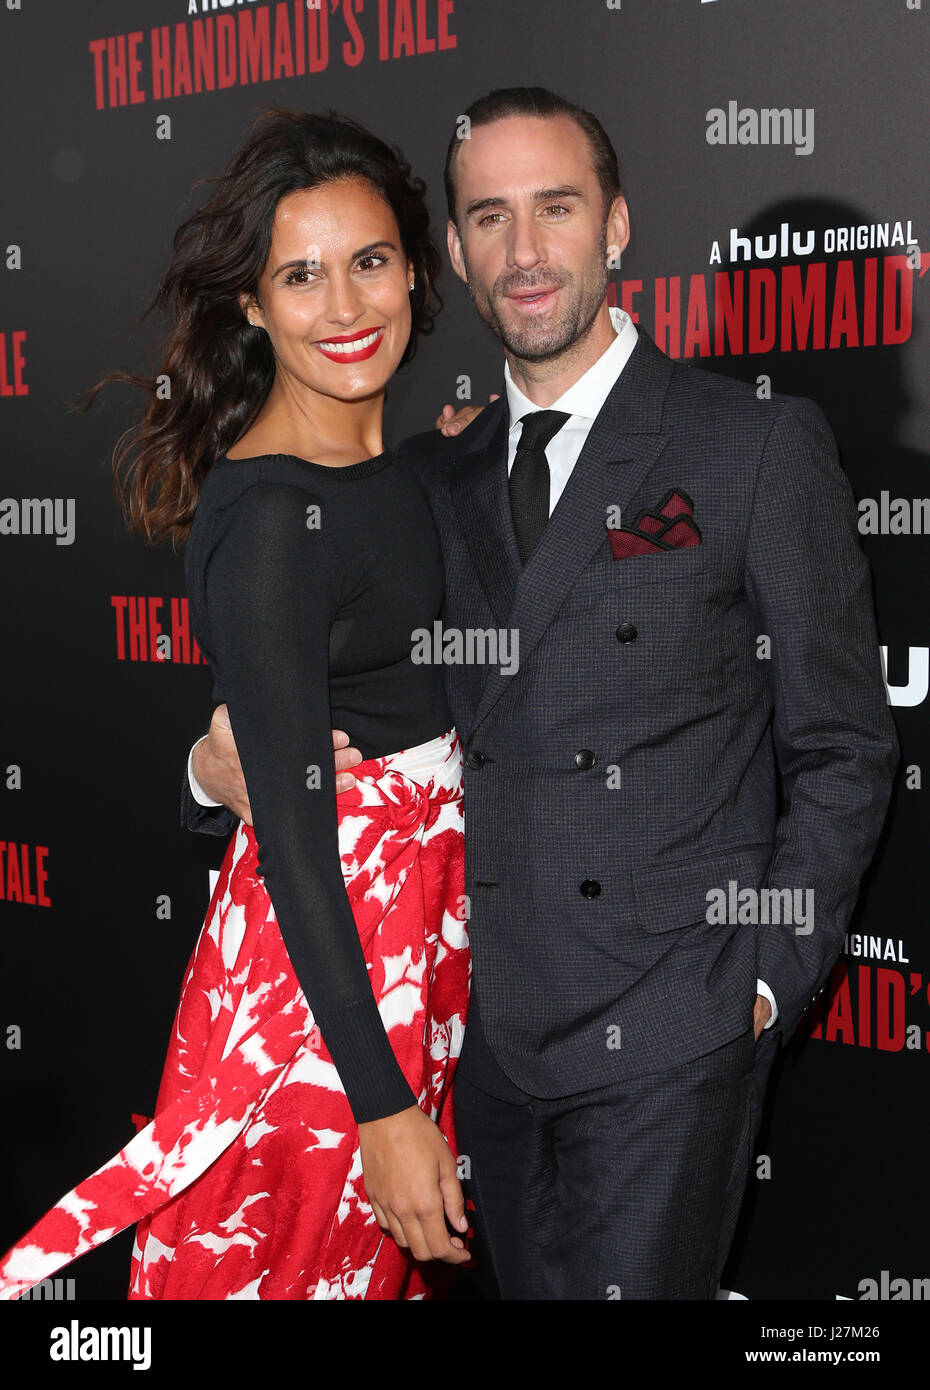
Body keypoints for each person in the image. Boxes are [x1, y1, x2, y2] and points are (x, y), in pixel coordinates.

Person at [185, 88, 900, 1300]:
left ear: (617, 227)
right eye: (490, 219)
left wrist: (766, 979)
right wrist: (210, 771)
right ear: (452, 256)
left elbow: (842, 742)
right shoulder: (426, 475)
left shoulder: (750, 447)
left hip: (673, 1038)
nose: (525, 253)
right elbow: (333, 701)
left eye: (556, 209)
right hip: (476, 1049)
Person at [0, 109, 472, 1302]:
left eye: (369, 261)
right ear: (253, 310)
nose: (345, 305)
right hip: (325, 1001)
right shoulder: (267, 521)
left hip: (422, 951)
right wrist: (381, 1105)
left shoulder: (401, 470)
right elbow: (299, 837)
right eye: (299, 277)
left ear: (416, 269)